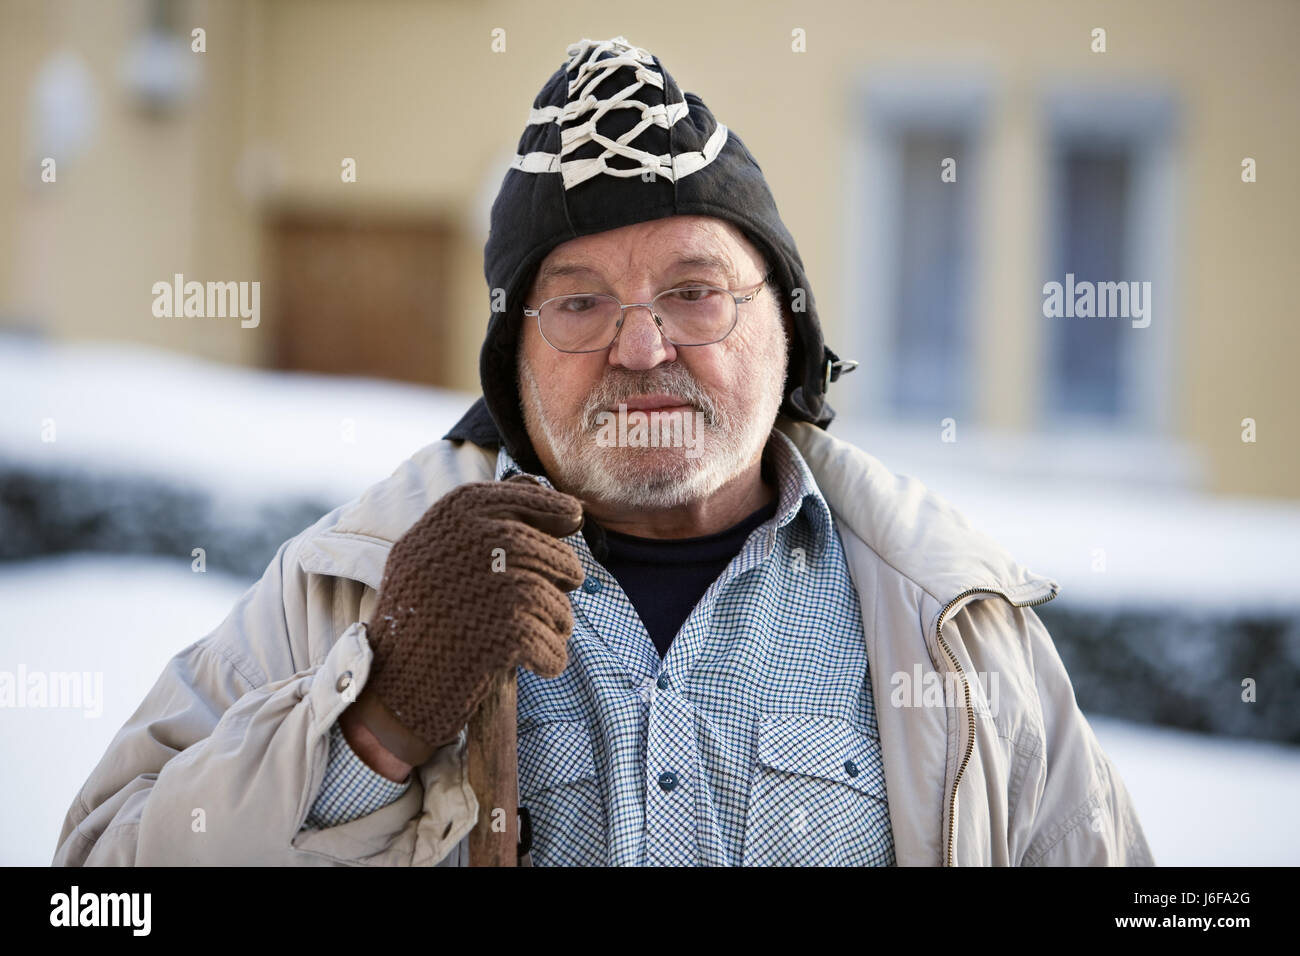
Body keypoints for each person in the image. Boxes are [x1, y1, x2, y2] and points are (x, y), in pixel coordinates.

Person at [53, 36, 1152, 867]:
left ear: (789, 325)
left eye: (693, 291)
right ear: (511, 363)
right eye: (578, 301)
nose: (640, 346)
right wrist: (372, 717)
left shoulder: (946, 615)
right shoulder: (347, 585)